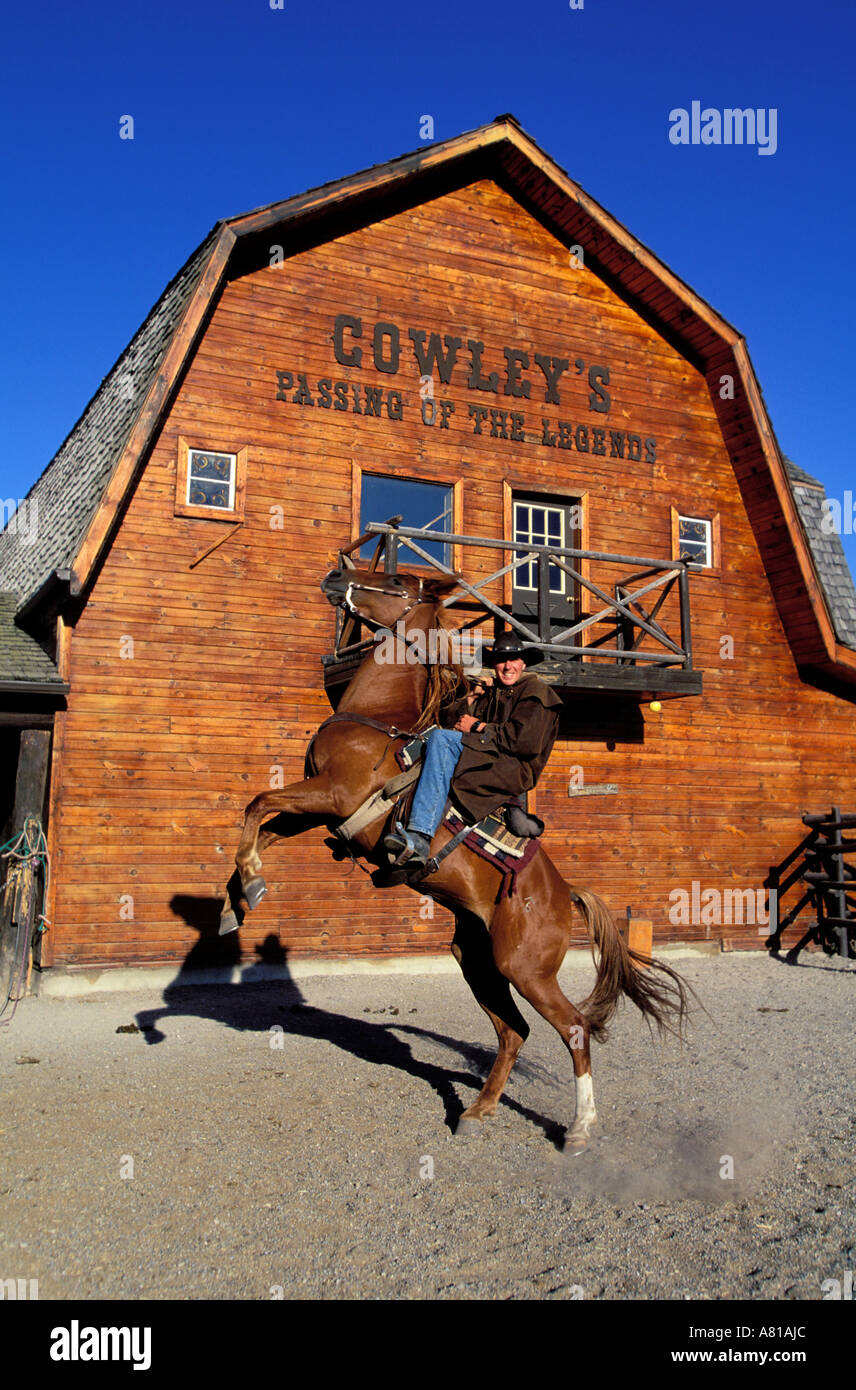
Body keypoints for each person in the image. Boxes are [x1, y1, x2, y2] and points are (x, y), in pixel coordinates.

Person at [383, 631, 563, 876]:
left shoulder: (536, 692)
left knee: (440, 741)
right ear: (494, 665)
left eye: (513, 660)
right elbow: (452, 725)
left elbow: (525, 742)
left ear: (523, 663)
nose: (507, 666)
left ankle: (420, 835)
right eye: (501, 661)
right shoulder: (494, 692)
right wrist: (469, 697)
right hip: (489, 756)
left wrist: (478, 727)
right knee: (431, 740)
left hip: (513, 768)